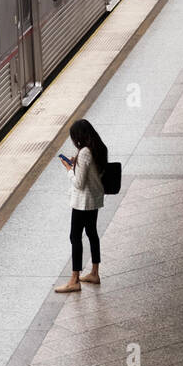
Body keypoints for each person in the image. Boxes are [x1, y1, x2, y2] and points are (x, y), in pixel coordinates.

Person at [55, 118, 107, 293]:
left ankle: (74, 280)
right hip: (94, 200)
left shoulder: (85, 152)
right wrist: (75, 166)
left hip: (83, 203)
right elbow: (93, 174)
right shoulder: (100, 147)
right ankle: (94, 272)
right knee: (92, 234)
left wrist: (69, 170)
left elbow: (79, 183)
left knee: (75, 237)